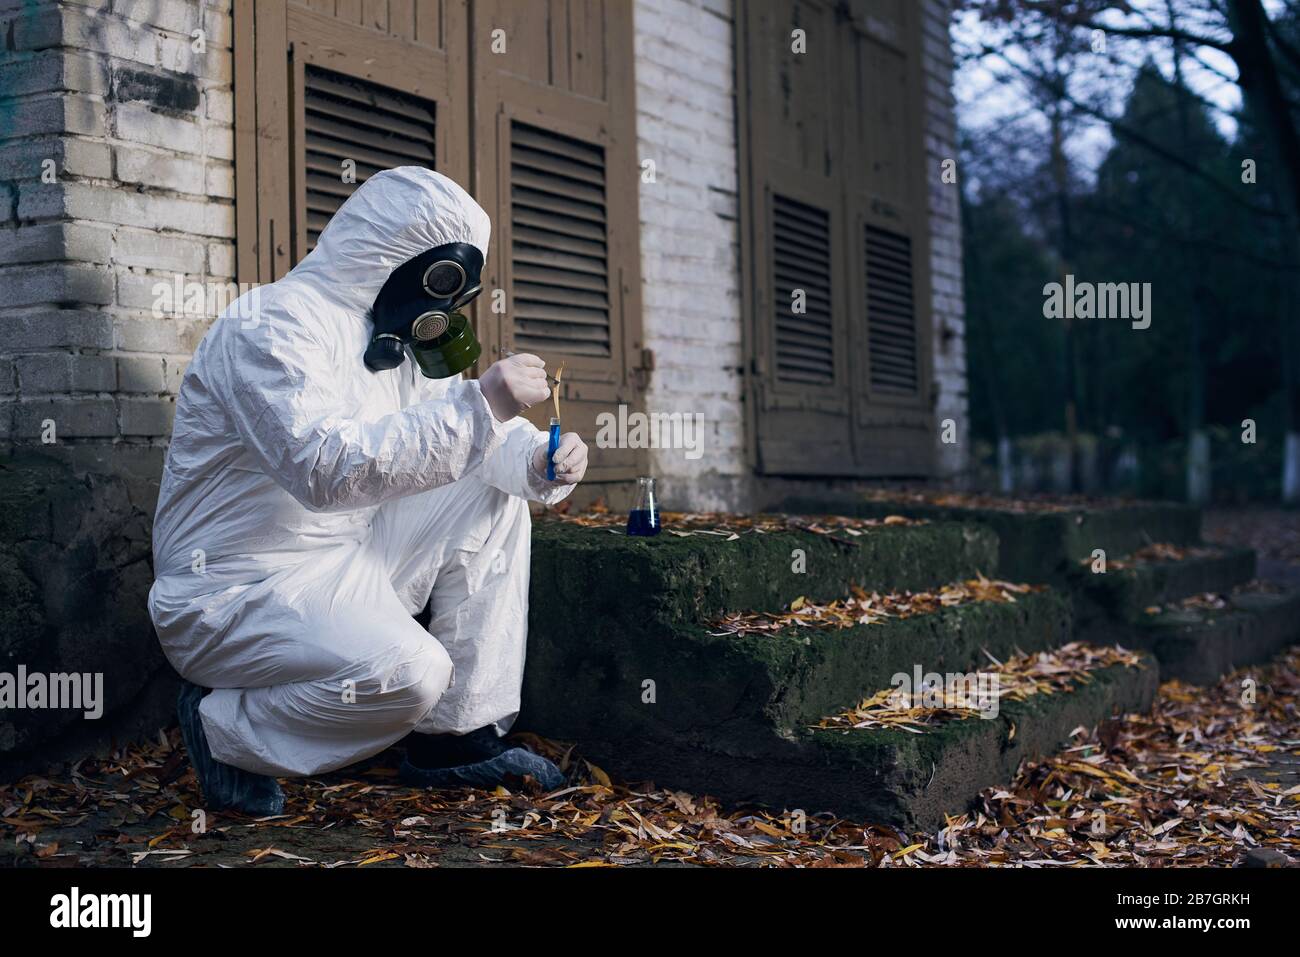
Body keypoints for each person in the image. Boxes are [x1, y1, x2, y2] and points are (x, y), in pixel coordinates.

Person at [148, 168, 587, 814]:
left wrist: (543, 460)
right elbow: (324, 468)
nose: (444, 304)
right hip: (234, 586)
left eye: (458, 288)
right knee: (413, 674)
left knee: (495, 496)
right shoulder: (269, 326)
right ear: (391, 252)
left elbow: (471, 439)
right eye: (439, 280)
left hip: (345, 559)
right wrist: (483, 402)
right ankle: (225, 727)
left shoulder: (393, 344)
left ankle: (456, 739)